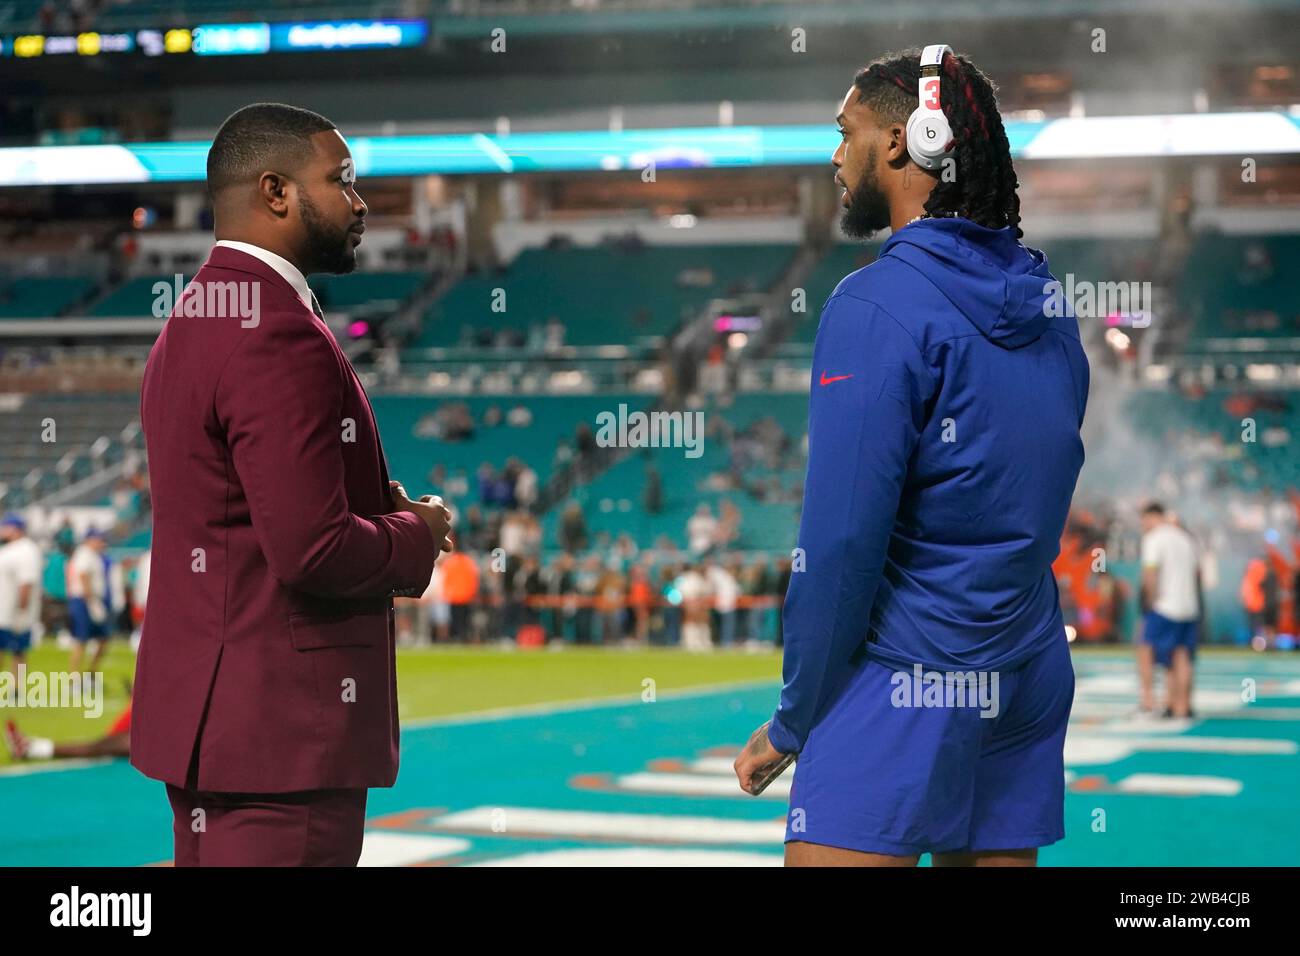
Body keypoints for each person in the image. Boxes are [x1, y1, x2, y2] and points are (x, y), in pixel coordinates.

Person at [734, 46, 1089, 868]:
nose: (834, 154)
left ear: (906, 139)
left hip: (907, 676)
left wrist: (793, 720)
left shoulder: (875, 303)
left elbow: (842, 543)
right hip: (1025, 668)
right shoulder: (1054, 307)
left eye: (846, 131)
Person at [133, 103, 452, 867]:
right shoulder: (276, 328)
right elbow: (312, 548)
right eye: (342, 180)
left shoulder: (197, 314)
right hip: (282, 742)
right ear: (276, 192)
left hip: (216, 731)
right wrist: (420, 534)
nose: (360, 202)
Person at [1137, 503, 1201, 718]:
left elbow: (1151, 574)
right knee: (1182, 656)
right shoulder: (1185, 538)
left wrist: (1148, 602)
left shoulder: (1154, 538)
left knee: (1145, 649)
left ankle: (1148, 700)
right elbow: (1196, 574)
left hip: (1164, 605)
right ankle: (1181, 706)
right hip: (1188, 606)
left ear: (1151, 517)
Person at [0, 513, 43, 675]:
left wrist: (22, 610)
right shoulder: (8, 549)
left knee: (18, 651)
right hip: (3, 611)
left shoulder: (27, 550)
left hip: (14, 612)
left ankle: (16, 689)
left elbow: (26, 583)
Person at [66, 528, 109, 676]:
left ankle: (90, 674)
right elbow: (83, 575)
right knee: (81, 640)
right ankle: (73, 679)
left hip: (90, 599)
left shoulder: (94, 555)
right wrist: (91, 600)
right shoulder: (84, 553)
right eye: (98, 539)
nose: (101, 543)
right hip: (84, 600)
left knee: (103, 638)